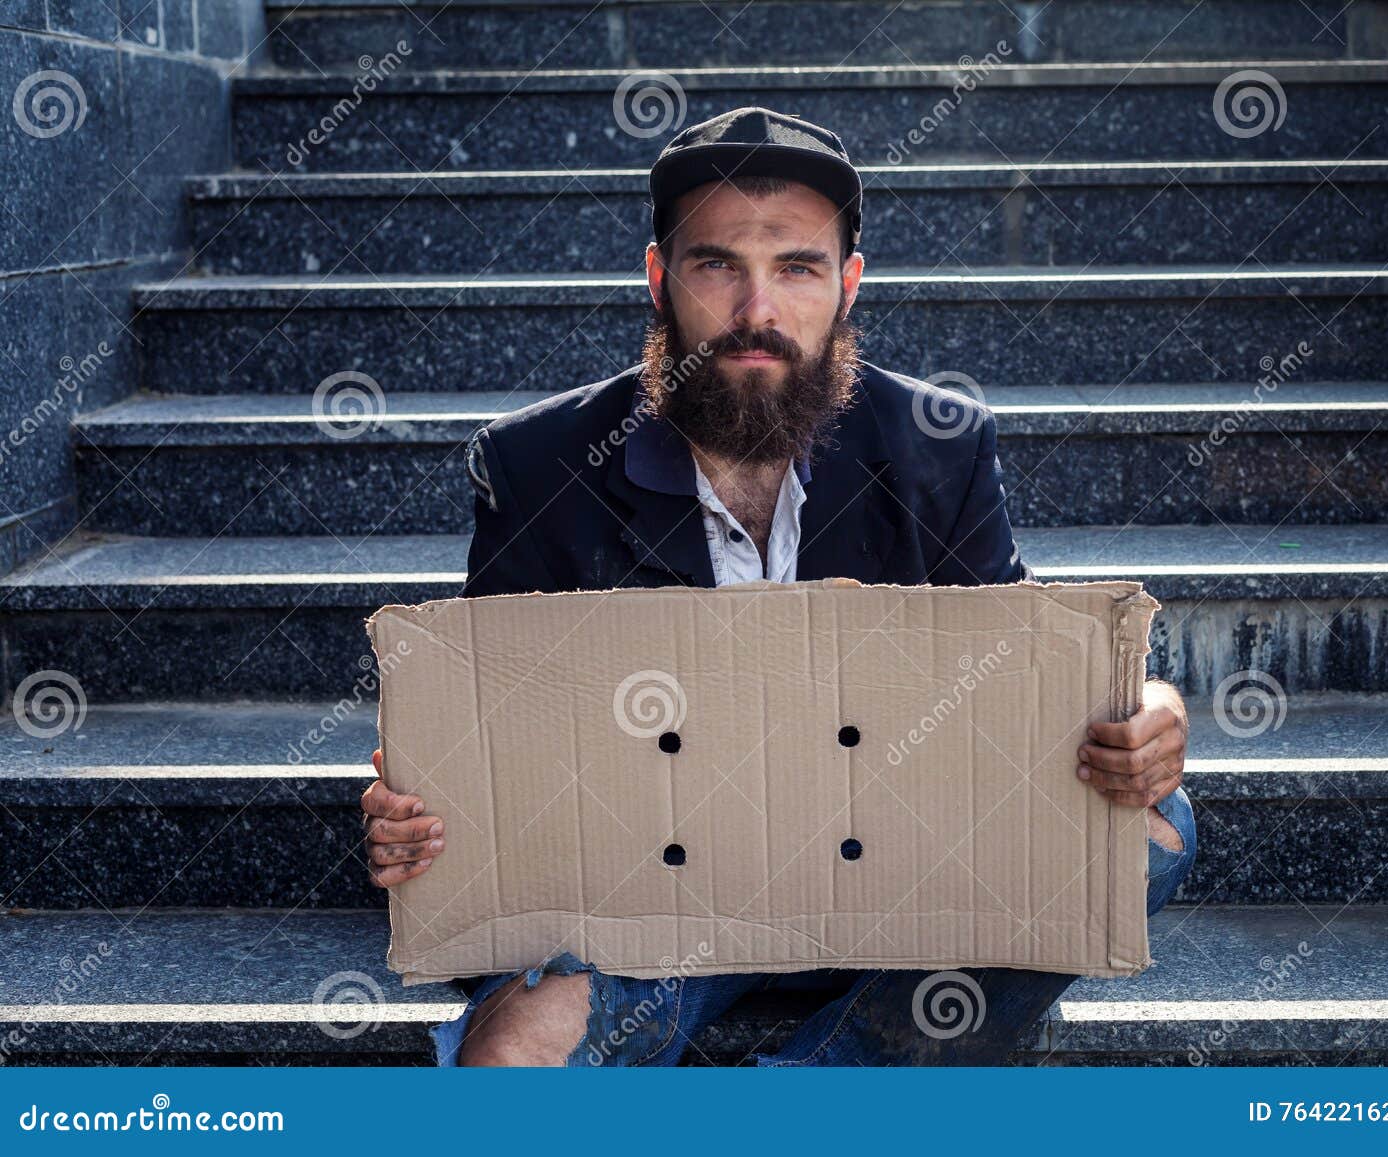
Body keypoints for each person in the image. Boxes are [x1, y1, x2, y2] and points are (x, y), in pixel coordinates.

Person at [360, 107, 1197, 1066]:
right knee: (514, 1054)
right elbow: (485, 733)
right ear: (660, 280)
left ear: (846, 287)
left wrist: (1147, 714)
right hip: (647, 905)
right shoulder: (538, 463)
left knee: (1154, 824)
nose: (756, 311)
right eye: (718, 264)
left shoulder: (939, 445)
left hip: (895, 887)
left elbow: (1024, 672)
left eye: (796, 268)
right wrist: (411, 807)